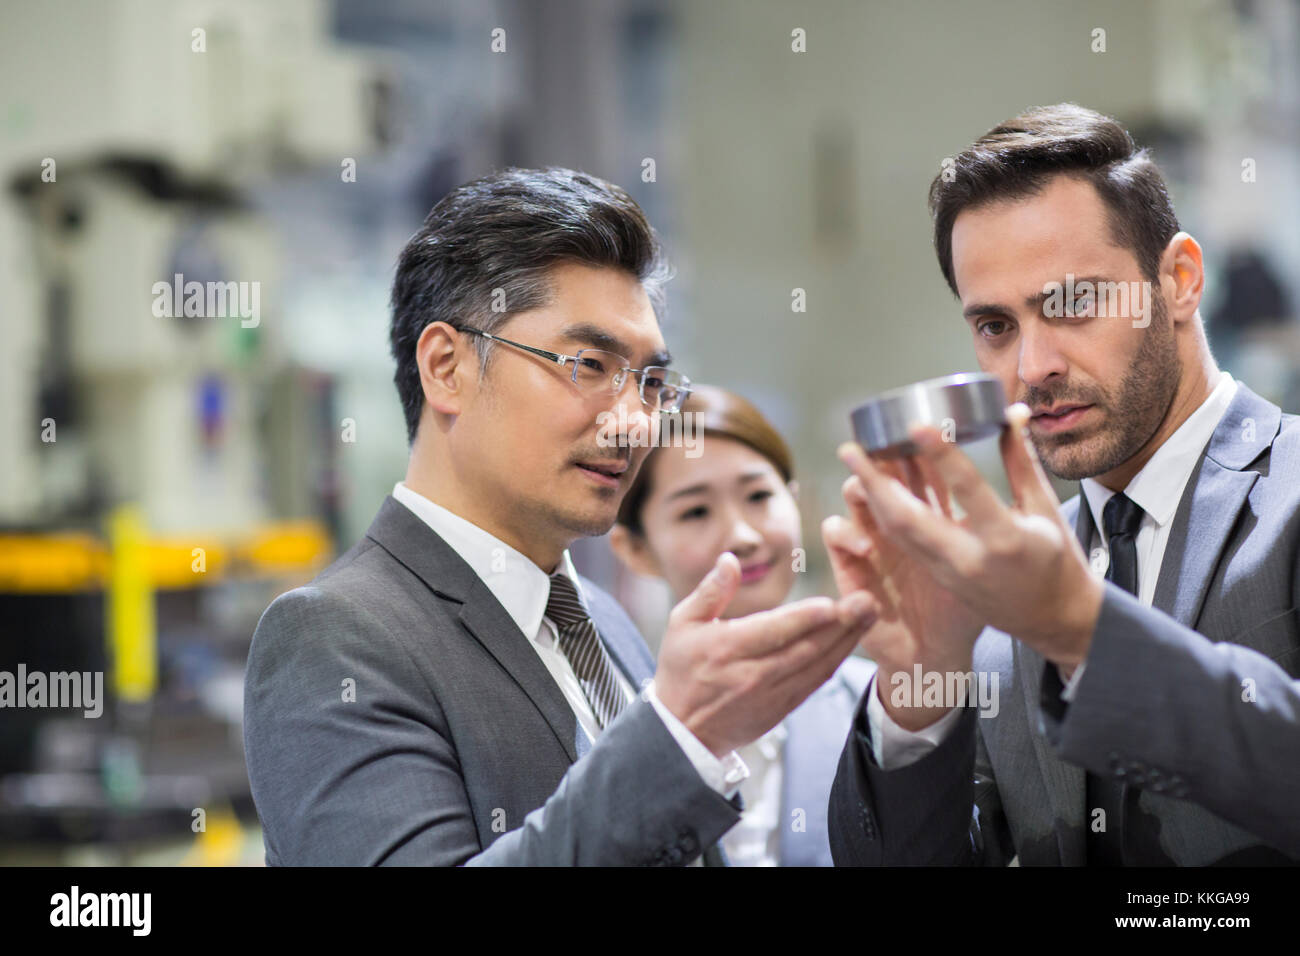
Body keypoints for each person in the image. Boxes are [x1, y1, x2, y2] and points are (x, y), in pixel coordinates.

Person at [242, 166, 875, 865]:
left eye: (651, 382)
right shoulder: (335, 637)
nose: (636, 423)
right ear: (447, 367)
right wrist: (677, 736)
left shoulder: (601, 621)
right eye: (589, 365)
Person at [823, 104, 1300, 865]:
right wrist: (920, 686)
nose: (1032, 367)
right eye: (995, 326)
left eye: (1073, 303)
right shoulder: (1004, 597)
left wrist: (1081, 630)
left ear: (1178, 280)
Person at [609, 385, 875, 866]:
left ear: (794, 501)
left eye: (759, 496)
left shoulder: (879, 704)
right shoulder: (609, 726)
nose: (743, 535)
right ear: (636, 550)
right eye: (695, 511)